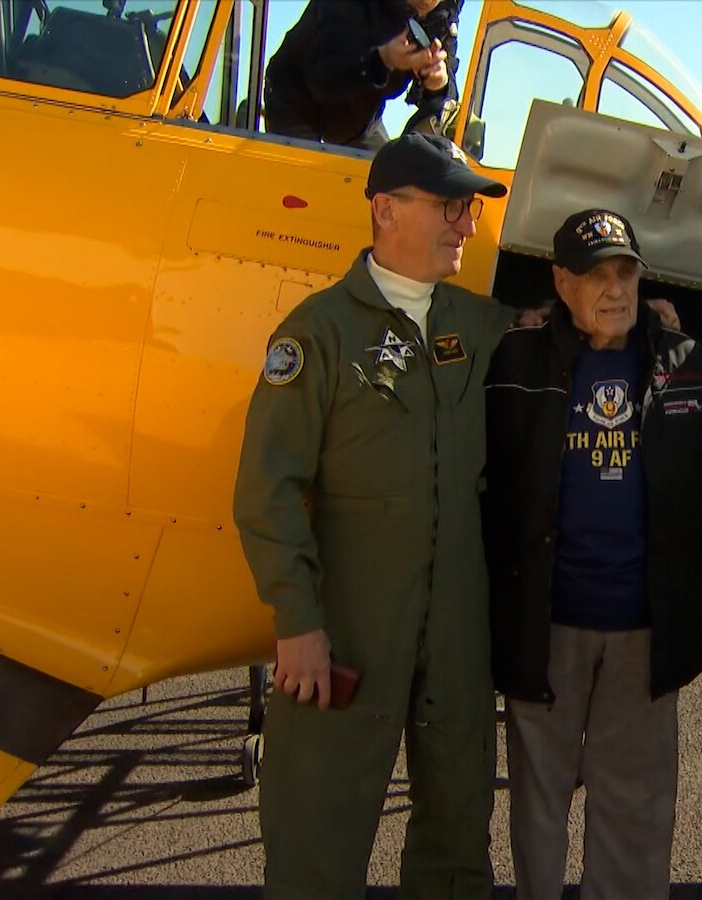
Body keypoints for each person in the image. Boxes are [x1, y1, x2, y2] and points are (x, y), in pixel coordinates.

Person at [233, 132, 512, 898]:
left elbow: (575, 340)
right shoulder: (318, 334)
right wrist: (297, 621)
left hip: (456, 626)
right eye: (450, 206)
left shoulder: (484, 327)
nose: (466, 224)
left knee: (459, 830)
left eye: (469, 209)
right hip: (346, 624)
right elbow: (268, 489)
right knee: (317, 828)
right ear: (384, 210)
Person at [482, 209, 702, 900]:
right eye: (594, 275)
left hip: (644, 632)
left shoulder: (689, 366)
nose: (614, 289)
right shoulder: (514, 361)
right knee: (538, 807)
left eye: (625, 271)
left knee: (636, 812)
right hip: (546, 625)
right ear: (561, 282)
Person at [263, 0, 463, 149]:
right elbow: (323, 79)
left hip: (360, 117)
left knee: (388, 189)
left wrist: (438, 84)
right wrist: (382, 60)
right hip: (296, 101)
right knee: (300, 189)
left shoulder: (444, 14)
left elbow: (447, 87)